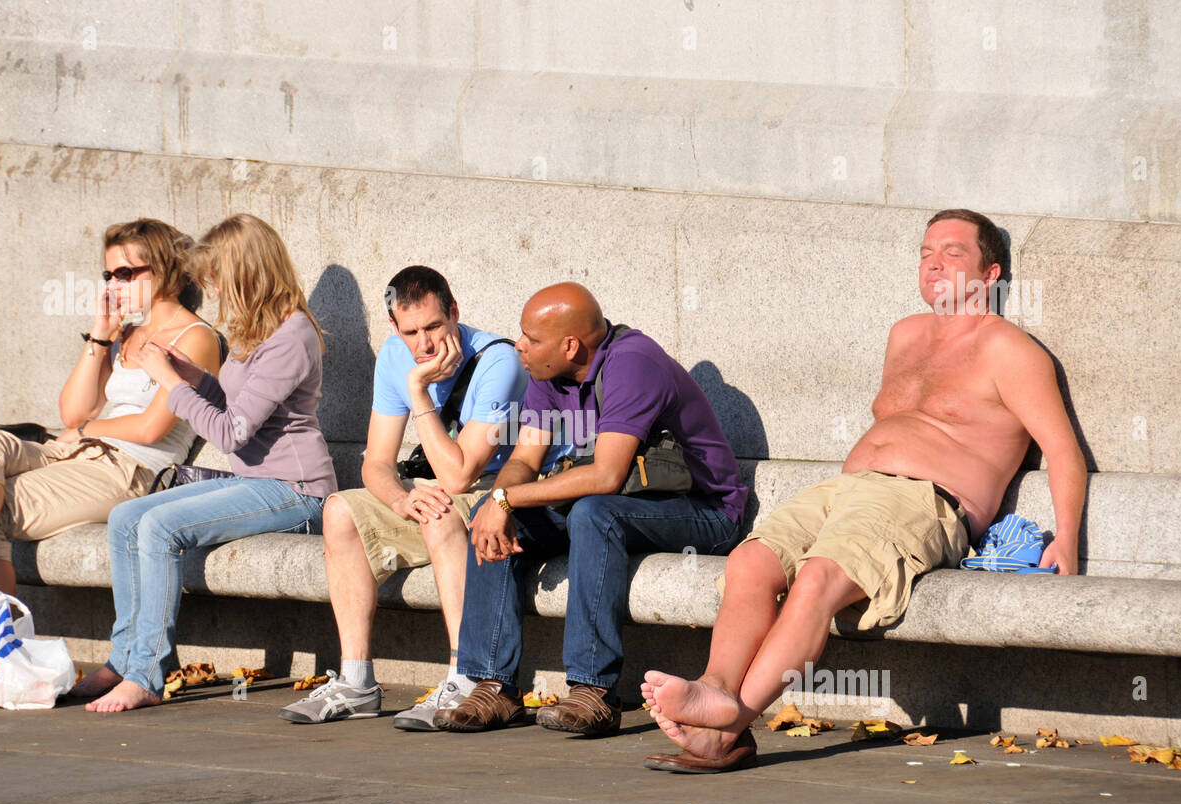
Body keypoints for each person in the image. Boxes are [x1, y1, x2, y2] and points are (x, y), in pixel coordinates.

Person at [641, 209, 1087, 772]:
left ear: (990, 273)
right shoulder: (906, 334)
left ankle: (729, 723)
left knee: (818, 580)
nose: (934, 264)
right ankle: (714, 689)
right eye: (926, 253)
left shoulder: (1010, 350)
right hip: (849, 489)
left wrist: (1066, 539)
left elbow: (1065, 452)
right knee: (751, 563)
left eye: (953, 253)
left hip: (925, 500)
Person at [433, 282, 749, 737]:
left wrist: (504, 498)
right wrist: (497, 504)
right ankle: (493, 685)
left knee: (593, 514)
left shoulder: (633, 364)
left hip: (705, 512)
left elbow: (605, 476)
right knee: (493, 515)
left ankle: (593, 691)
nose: (519, 345)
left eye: (531, 338)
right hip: (627, 503)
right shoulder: (548, 373)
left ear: (570, 345)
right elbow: (523, 460)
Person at [278, 266, 565, 728]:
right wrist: (397, 500)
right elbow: (375, 464)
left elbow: (459, 475)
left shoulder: (498, 362)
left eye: (434, 326)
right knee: (340, 510)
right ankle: (356, 682)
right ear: (394, 327)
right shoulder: (394, 355)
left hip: (502, 494)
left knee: (441, 511)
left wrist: (418, 392)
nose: (425, 344)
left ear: (454, 313)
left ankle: (465, 678)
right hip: (438, 486)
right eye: (411, 331)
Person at [73, 213, 337, 712]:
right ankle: (126, 656)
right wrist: (189, 372)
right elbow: (231, 404)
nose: (212, 290)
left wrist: (170, 385)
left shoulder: (292, 336)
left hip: (300, 492)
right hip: (258, 481)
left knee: (160, 528)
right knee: (128, 517)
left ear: (245, 272)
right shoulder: (256, 328)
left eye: (217, 278)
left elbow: (231, 432)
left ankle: (148, 674)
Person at [0, 219, 222, 635]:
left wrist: (89, 430)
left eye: (126, 273)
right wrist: (101, 337)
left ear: (165, 270)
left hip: (131, 471)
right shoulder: (128, 332)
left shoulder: (197, 338)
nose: (113, 285)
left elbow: (151, 427)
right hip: (77, 453)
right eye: (109, 274)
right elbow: (71, 412)